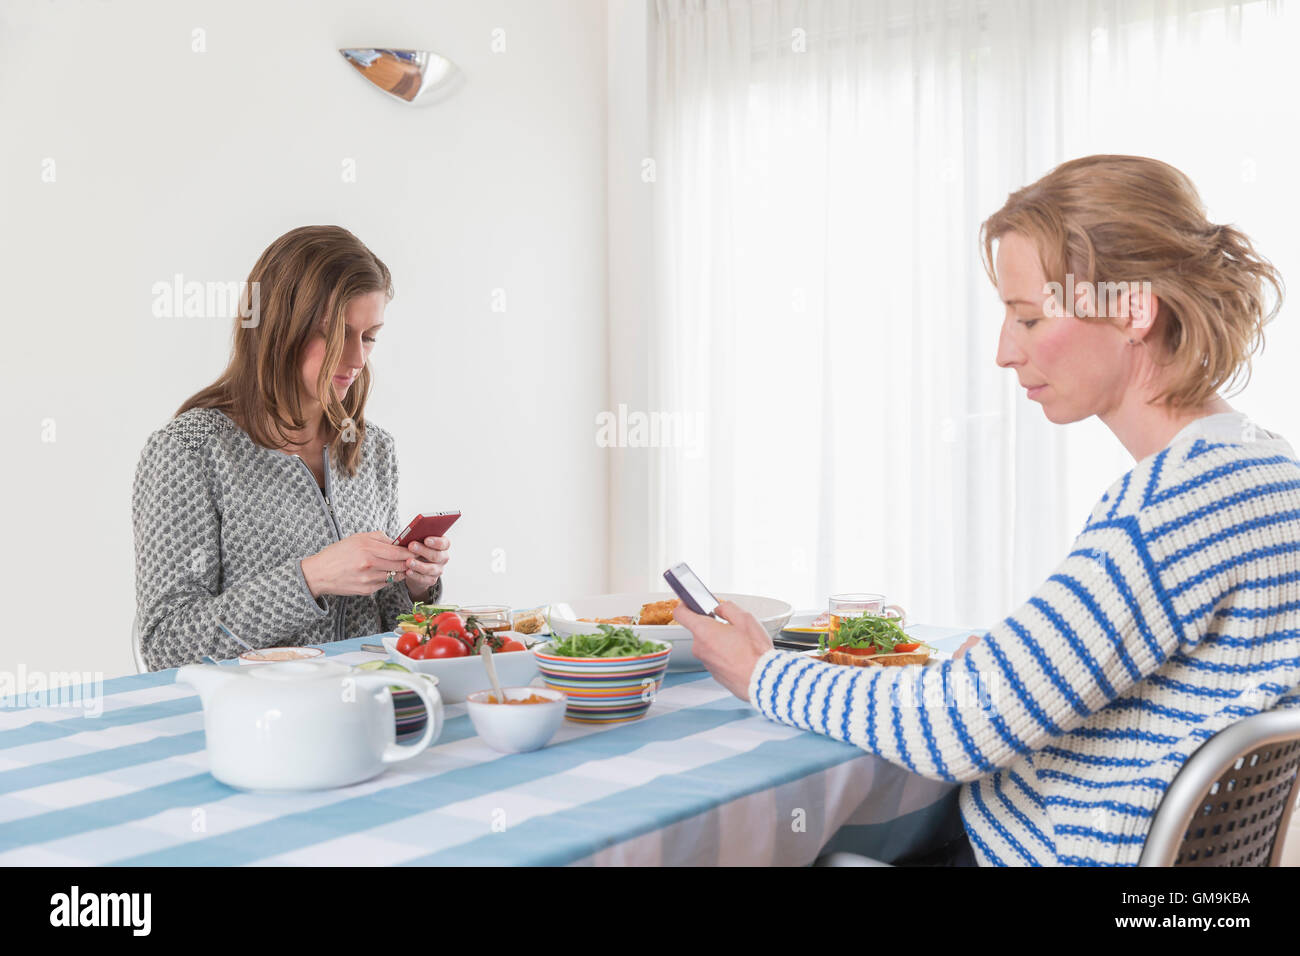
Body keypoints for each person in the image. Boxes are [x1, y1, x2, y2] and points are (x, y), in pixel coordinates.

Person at [673, 155, 1300, 866]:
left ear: (1134, 309)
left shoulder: (1174, 506)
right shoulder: (1268, 472)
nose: (1005, 352)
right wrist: (1008, 679)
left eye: (1029, 318)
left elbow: (958, 730)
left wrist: (761, 671)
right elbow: (1176, 695)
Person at [132, 225, 450, 670]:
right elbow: (166, 644)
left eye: (370, 336)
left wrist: (414, 586)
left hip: (370, 705)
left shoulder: (372, 447)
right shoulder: (189, 450)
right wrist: (312, 578)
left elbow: (387, 627)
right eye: (336, 333)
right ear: (280, 328)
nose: (357, 359)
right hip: (255, 722)